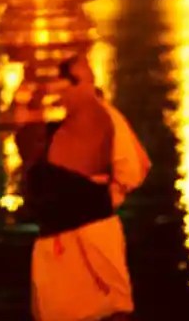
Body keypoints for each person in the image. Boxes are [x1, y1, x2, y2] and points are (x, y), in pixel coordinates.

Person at [17, 54, 143, 321]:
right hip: (58, 245)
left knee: (109, 309)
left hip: (90, 233)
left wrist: (106, 195)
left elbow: (131, 171)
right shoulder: (45, 130)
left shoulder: (101, 117)